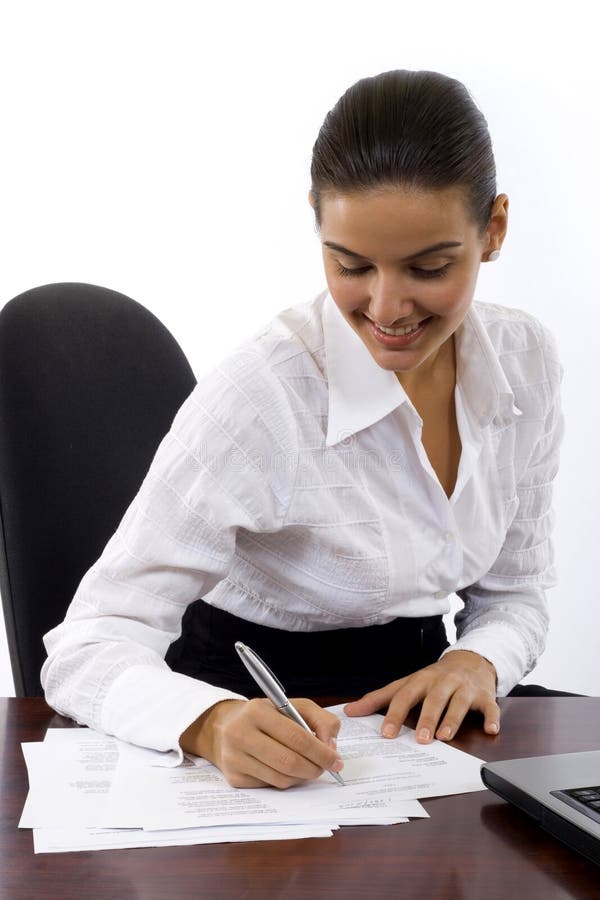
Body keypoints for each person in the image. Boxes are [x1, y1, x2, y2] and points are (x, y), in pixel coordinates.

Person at [41, 69, 564, 790]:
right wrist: (206, 722)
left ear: (493, 230)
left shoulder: (525, 361)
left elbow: (514, 595)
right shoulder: (264, 395)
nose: (387, 307)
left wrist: (477, 660)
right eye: (351, 264)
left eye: (429, 267)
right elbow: (87, 644)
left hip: (418, 715)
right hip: (256, 707)